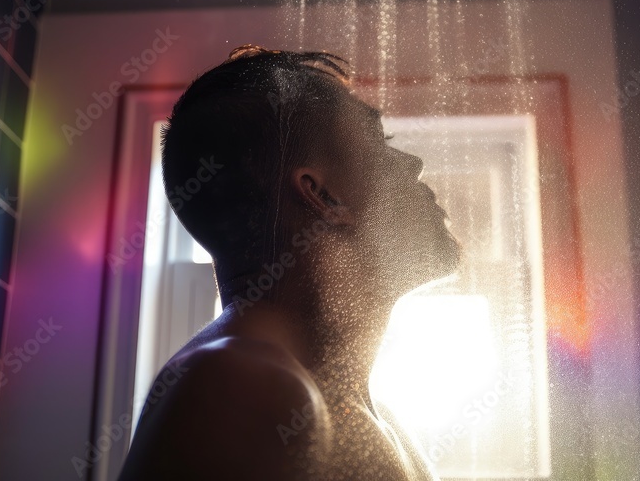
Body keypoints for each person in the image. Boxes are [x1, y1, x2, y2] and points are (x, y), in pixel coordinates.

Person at [117, 45, 461, 480]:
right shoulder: (240, 387)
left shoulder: (367, 413)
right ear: (322, 196)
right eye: (380, 143)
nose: (413, 164)